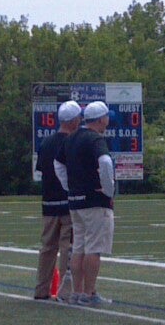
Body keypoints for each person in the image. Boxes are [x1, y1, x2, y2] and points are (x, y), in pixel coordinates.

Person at [53, 100, 115, 306]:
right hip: (94, 201)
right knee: (93, 248)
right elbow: (105, 162)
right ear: (101, 119)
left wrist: (69, 187)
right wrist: (108, 189)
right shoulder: (95, 139)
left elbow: (58, 163)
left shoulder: (71, 138)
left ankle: (77, 292)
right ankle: (90, 293)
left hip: (75, 202)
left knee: (79, 246)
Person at [33, 100, 80, 300]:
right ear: (74, 120)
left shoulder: (46, 143)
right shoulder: (74, 143)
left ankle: (41, 289)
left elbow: (43, 172)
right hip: (69, 203)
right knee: (68, 248)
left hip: (49, 203)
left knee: (47, 248)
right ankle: (65, 291)